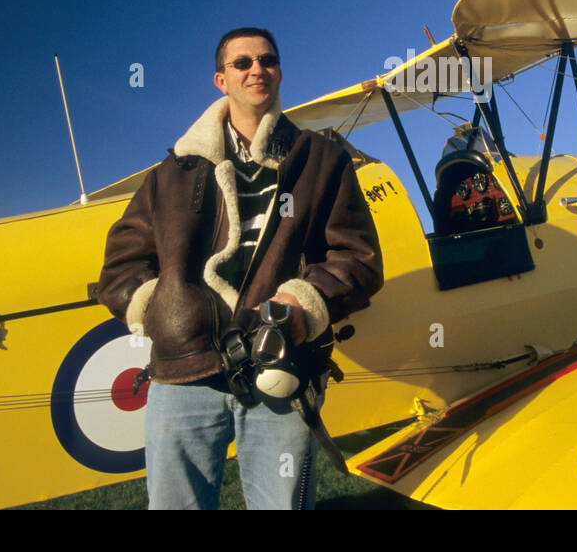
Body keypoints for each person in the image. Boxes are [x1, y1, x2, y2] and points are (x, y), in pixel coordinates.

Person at [96, 28, 383, 509]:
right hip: (181, 373)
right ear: (220, 79)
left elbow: (358, 258)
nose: (257, 69)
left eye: (268, 60)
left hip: (281, 366)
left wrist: (302, 304)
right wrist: (159, 308)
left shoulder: (323, 158)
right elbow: (121, 266)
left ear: (280, 72)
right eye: (242, 62)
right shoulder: (170, 174)